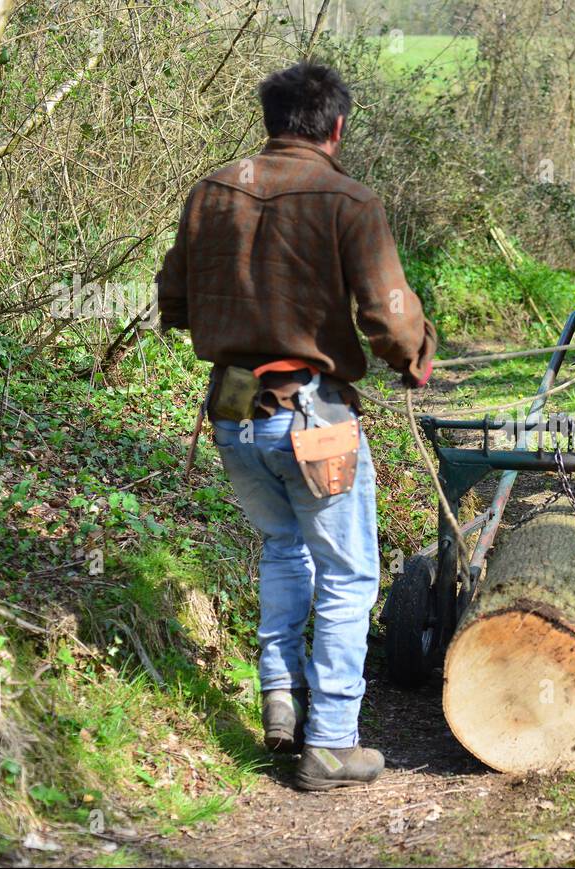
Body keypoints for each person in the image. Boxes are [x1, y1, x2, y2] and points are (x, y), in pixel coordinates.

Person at [156, 61, 435, 790]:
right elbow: (390, 316)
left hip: (233, 410)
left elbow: (173, 298)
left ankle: (279, 699)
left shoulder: (211, 190)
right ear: (337, 127)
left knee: (284, 546)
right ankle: (333, 740)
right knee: (349, 573)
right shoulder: (349, 200)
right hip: (315, 419)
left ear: (272, 119)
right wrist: (414, 357)